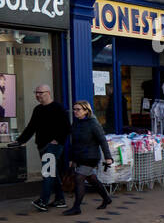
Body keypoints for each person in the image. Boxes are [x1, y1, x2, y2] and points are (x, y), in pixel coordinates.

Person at [15, 83, 70, 211]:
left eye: (40, 93)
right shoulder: (38, 109)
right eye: (36, 93)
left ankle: (43, 201)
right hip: (42, 146)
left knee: (47, 173)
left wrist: (57, 140)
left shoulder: (58, 108)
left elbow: (66, 127)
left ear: (48, 93)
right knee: (53, 173)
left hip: (53, 147)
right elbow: (31, 127)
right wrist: (20, 141)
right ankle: (60, 200)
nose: (37, 95)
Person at [64, 101, 114, 215]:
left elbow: (102, 141)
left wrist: (108, 157)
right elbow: (74, 143)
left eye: (78, 109)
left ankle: (76, 207)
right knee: (92, 179)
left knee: (79, 178)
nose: (75, 112)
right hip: (79, 156)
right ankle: (106, 198)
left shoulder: (93, 123)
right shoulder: (76, 123)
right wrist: (71, 158)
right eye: (74, 109)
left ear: (86, 111)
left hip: (91, 157)